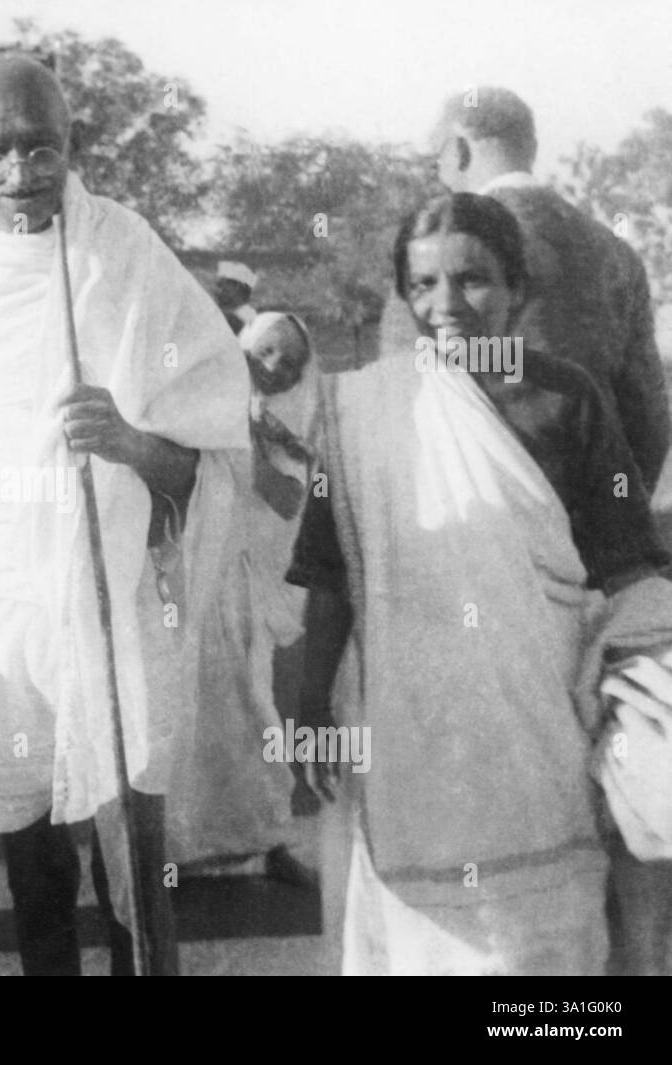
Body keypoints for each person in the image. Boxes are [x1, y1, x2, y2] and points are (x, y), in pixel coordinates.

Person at [0, 52, 250, 976]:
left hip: (104, 579)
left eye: (44, 147)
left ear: (72, 143)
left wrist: (128, 440)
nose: (23, 172)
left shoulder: (123, 251)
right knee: (30, 856)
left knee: (130, 847)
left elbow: (212, 441)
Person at [289, 191, 671, 975]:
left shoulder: (568, 397)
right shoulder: (363, 410)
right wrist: (309, 707)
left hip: (543, 711)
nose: (446, 304)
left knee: (546, 932)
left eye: (472, 280)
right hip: (410, 724)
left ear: (518, 290)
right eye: (423, 284)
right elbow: (329, 576)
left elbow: (627, 561)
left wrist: (649, 693)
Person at [381, 86, 669, 490]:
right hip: (591, 516)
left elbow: (398, 393)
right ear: (530, 147)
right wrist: (618, 514)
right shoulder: (617, 254)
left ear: (458, 150)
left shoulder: (429, 256)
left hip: (474, 511)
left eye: (437, 158)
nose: (439, 172)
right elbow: (647, 417)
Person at [169, 312, 320, 887]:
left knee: (254, 708)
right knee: (187, 710)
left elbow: (285, 501)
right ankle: (176, 852)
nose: (274, 364)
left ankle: (270, 839)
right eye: (267, 349)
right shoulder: (202, 397)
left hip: (242, 586)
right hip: (191, 571)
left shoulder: (290, 430)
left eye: (288, 359)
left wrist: (255, 435)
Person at [215, 260, 258, 334]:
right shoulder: (223, 312)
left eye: (225, 285)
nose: (220, 291)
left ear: (238, 287)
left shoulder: (246, 315)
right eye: (220, 286)